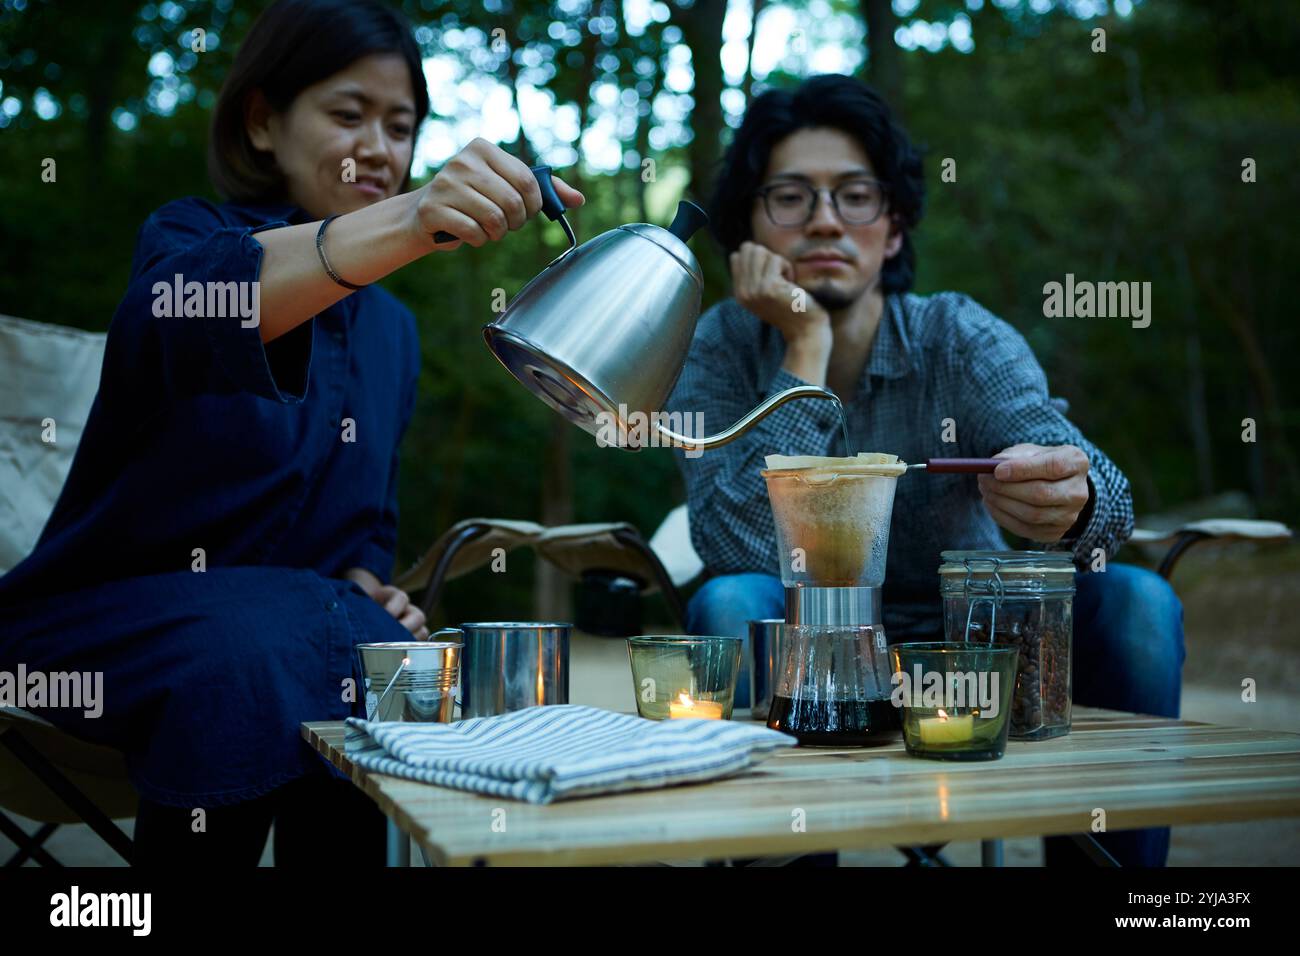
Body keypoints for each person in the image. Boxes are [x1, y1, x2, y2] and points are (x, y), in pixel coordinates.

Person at [0, 0, 582, 866]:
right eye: (349, 115)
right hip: (89, 641)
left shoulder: (393, 333)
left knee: (373, 646)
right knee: (262, 640)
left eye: (402, 127)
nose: (381, 149)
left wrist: (371, 589)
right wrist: (412, 220)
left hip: (284, 645)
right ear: (263, 121)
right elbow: (182, 313)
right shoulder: (188, 238)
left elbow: (363, 542)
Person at [668, 75, 1183, 867]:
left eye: (855, 196)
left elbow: (1104, 497)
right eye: (791, 198)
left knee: (1139, 600)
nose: (826, 220)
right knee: (731, 600)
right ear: (749, 233)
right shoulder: (717, 348)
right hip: (812, 650)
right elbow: (733, 544)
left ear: (895, 227)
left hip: (976, 650)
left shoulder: (957, 336)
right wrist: (804, 350)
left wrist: (1071, 501)